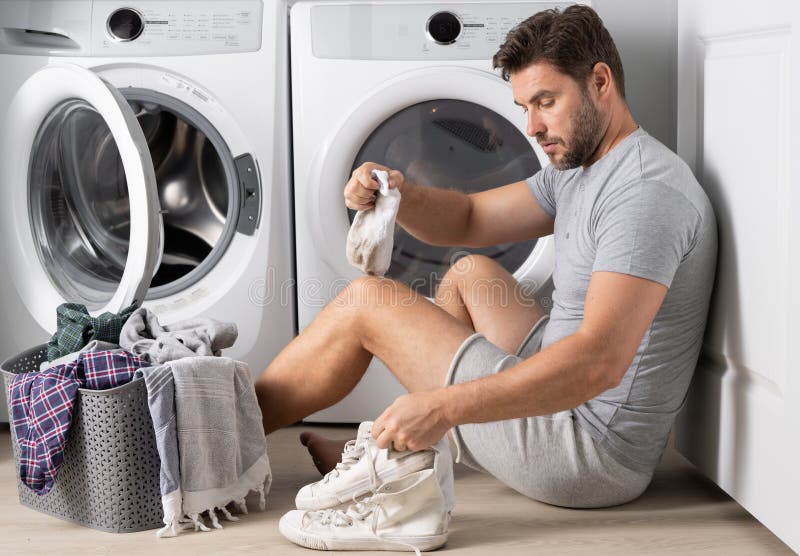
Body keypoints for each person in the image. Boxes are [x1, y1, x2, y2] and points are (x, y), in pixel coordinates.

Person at [255, 4, 717, 508]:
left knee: (368, 300)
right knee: (469, 274)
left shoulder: (644, 193)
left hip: (587, 453)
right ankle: (387, 452)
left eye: (546, 101)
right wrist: (396, 192)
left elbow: (598, 363)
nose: (533, 126)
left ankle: (215, 440)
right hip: (568, 400)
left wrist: (442, 406)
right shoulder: (584, 168)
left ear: (600, 81)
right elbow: (470, 219)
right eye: (525, 107)